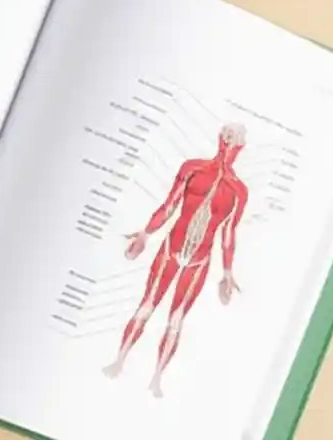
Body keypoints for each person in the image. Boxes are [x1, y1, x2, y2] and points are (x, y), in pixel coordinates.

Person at [102, 123, 249, 397]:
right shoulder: (193, 168)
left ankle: (156, 378)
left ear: (241, 147)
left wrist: (228, 272)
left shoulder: (239, 190)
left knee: (176, 318)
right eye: (227, 137)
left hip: (199, 259)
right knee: (147, 306)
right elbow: (170, 206)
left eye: (235, 140)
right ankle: (119, 361)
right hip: (172, 247)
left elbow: (228, 232)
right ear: (219, 138)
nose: (229, 144)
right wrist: (146, 233)